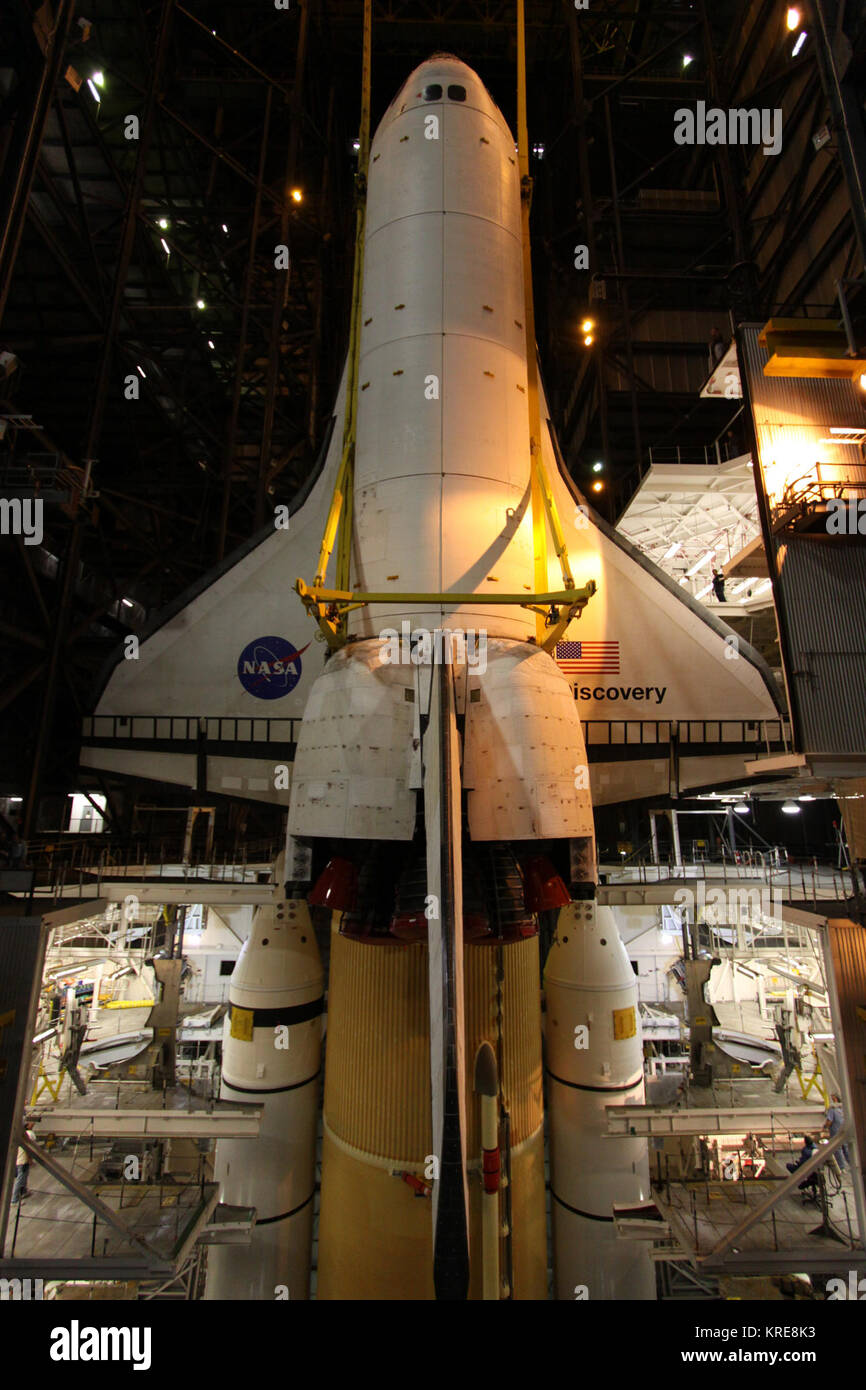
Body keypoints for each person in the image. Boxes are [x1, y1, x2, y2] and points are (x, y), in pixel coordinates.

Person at [823, 1093, 849, 1170]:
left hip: (836, 1131)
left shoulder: (832, 1109)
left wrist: (825, 1127)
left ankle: (841, 1167)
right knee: (846, 1148)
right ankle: (851, 1164)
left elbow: (829, 1121)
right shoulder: (843, 1108)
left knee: (838, 1149)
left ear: (835, 1099)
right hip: (844, 1129)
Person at [11, 1124, 36, 1203]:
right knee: (21, 1179)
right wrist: (30, 1159)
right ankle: (14, 1199)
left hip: (17, 1159)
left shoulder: (19, 1135)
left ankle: (24, 1191)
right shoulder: (29, 1134)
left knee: (23, 1177)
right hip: (22, 1160)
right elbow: (29, 1148)